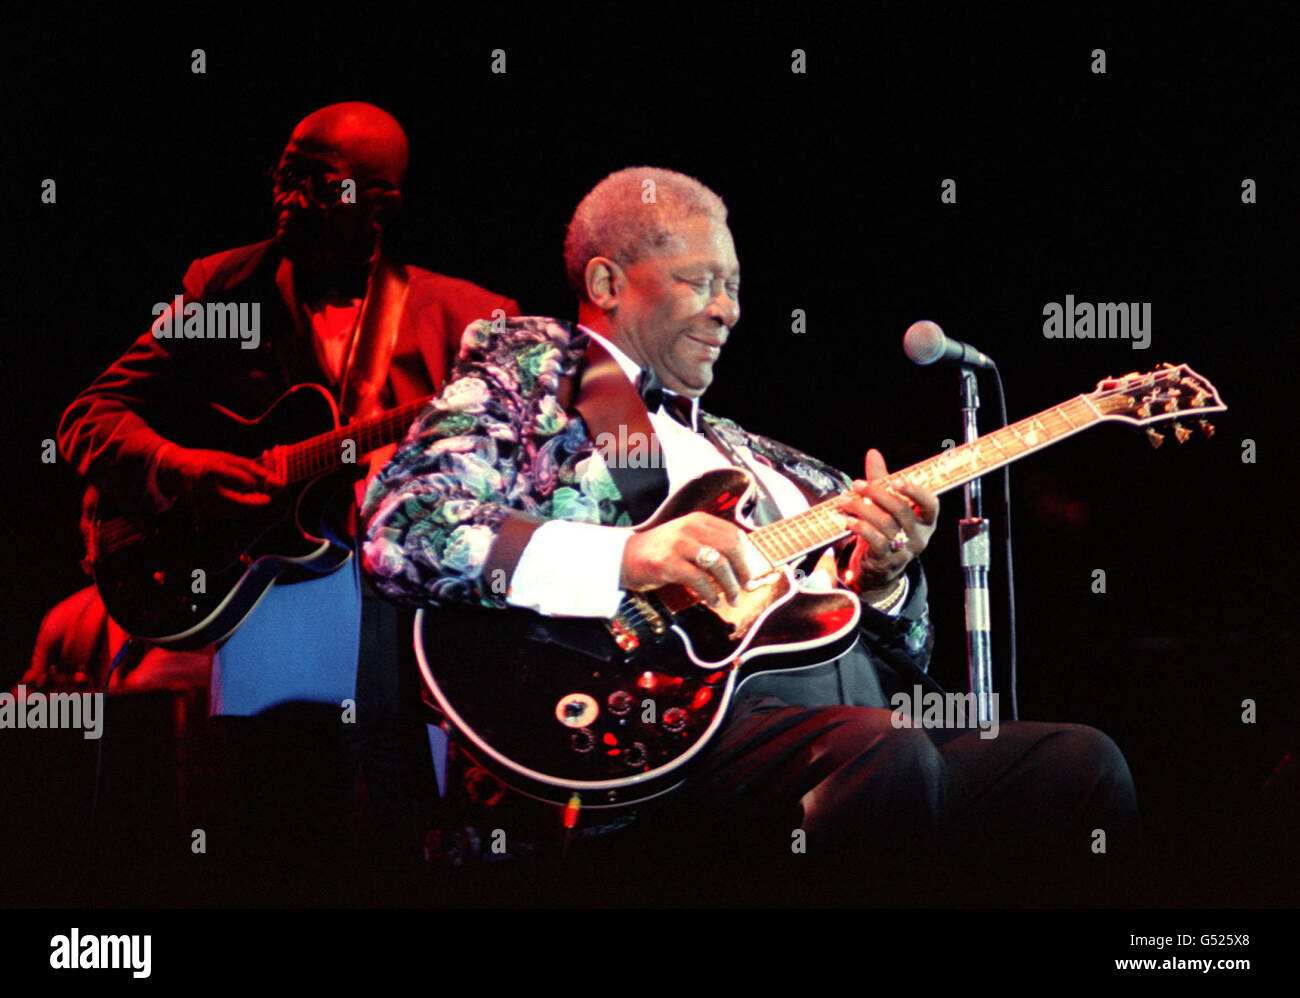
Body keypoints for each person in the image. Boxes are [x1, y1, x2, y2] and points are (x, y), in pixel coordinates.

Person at [360, 166, 1138, 903]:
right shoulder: (533, 379)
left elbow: (905, 655)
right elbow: (402, 527)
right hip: (631, 749)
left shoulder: (764, 461)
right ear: (606, 283)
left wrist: (881, 579)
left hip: (819, 730)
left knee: (1077, 765)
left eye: (732, 287)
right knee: (885, 751)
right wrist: (627, 557)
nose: (727, 309)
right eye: (700, 281)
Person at [56, 101, 519, 899]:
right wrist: (182, 468)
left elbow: (516, 474)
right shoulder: (223, 285)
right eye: (286, 174)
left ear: (383, 205)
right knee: (276, 843)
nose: (291, 197)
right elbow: (87, 418)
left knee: (404, 840)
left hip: (405, 632)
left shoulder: (473, 318)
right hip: (269, 624)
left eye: (318, 182)